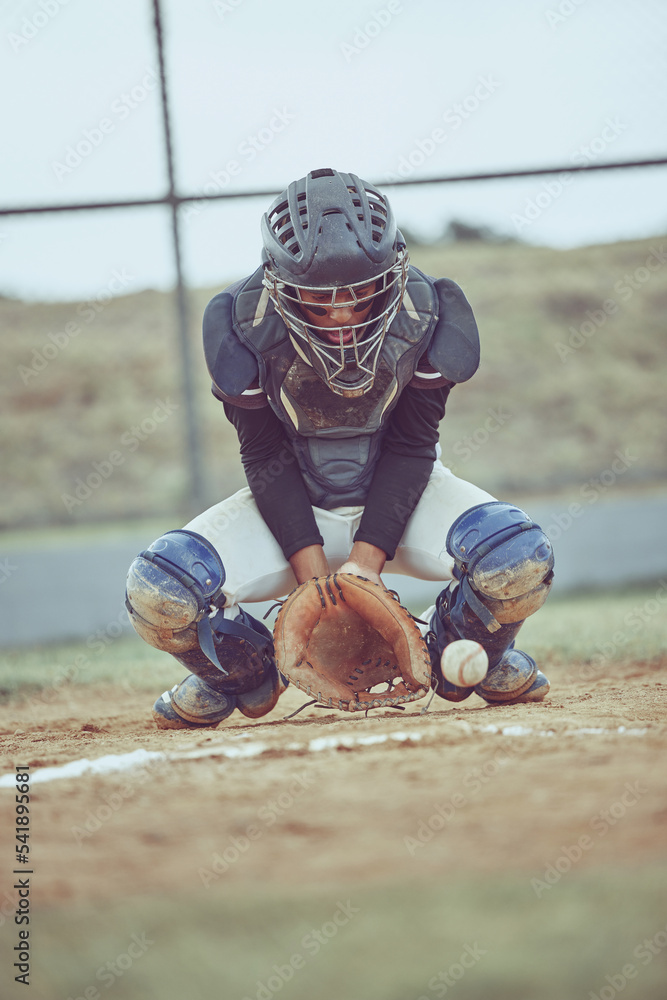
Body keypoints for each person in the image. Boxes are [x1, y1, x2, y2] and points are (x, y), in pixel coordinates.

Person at [125, 168, 554, 729]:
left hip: (401, 500)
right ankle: (247, 672)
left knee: (516, 558)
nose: (344, 314)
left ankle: (464, 651)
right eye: (319, 300)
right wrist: (316, 587)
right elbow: (263, 457)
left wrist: (364, 567)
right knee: (161, 592)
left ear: (391, 274)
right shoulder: (242, 322)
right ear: (280, 287)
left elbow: (412, 446)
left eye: (360, 292)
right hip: (290, 509)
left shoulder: (428, 311)